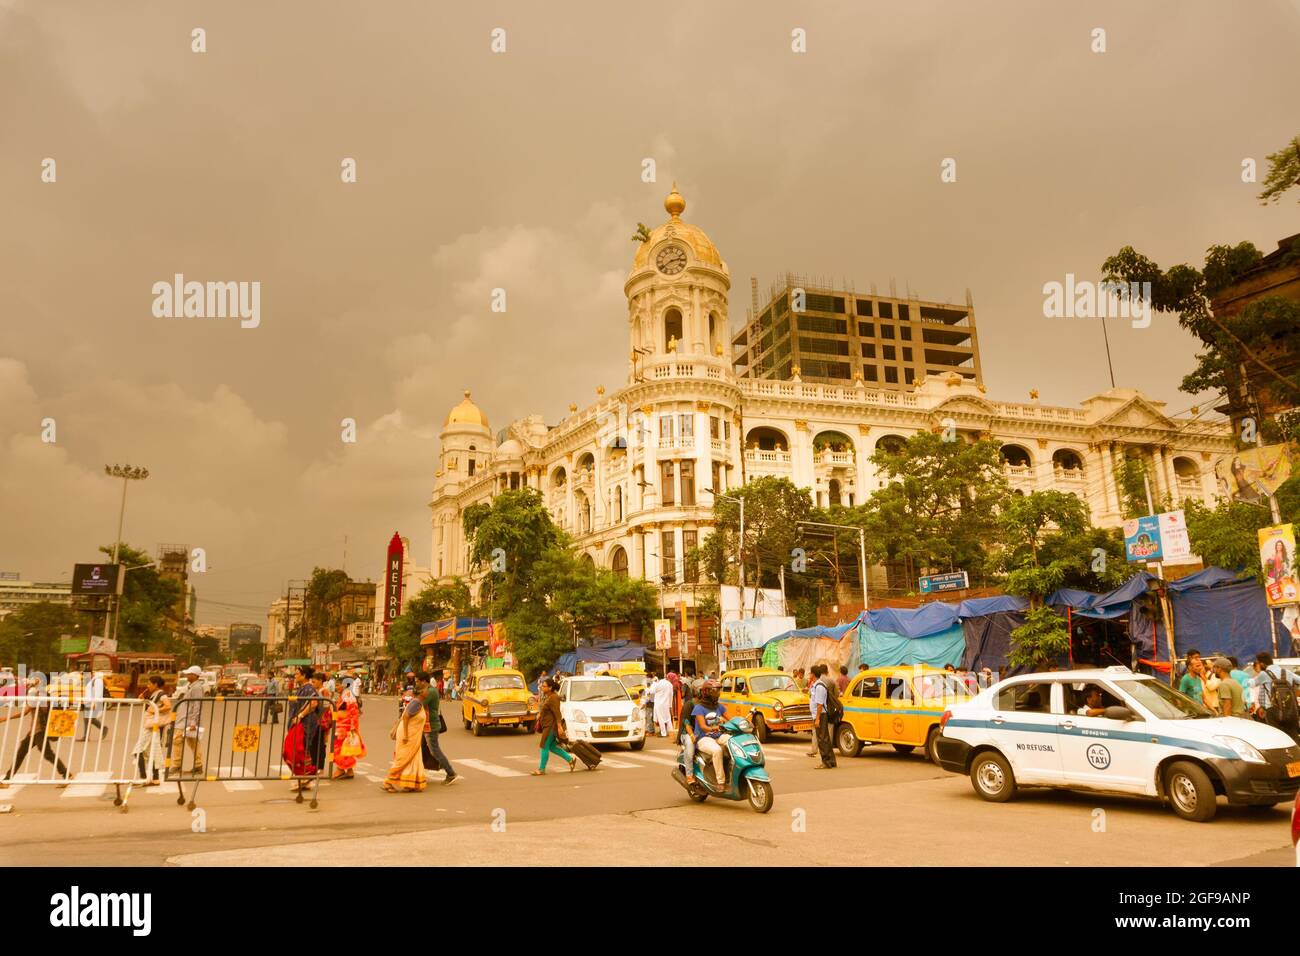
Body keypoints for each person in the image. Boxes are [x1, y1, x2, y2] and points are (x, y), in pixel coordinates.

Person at [0, 677, 72, 787]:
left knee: (47, 754)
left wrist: (5, 718)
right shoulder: (40, 696)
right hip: (33, 732)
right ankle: (7, 780)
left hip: (40, 731)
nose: (30, 686)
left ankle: (66, 775)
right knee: (22, 753)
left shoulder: (39, 697)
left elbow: (24, 713)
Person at [416, 671, 459, 786]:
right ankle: (418, 774)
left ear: (423, 681)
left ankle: (451, 773)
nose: (416, 683)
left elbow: (419, 704)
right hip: (426, 725)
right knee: (422, 750)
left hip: (431, 726)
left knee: (435, 751)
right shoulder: (428, 691)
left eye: (417, 681)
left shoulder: (430, 692)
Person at [383, 687, 428, 792]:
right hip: (407, 735)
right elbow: (406, 717)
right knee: (403, 758)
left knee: (413, 758)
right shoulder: (416, 703)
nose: (428, 692)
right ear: (421, 692)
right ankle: (389, 782)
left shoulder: (419, 703)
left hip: (413, 735)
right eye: (426, 690)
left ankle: (410, 783)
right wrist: (406, 735)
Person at [533, 677, 578, 775]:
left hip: (550, 726)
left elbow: (557, 713)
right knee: (552, 747)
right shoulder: (549, 696)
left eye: (544, 686)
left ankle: (541, 769)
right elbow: (548, 710)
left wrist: (559, 726)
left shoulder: (553, 697)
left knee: (544, 746)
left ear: (550, 687)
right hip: (547, 725)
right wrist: (540, 714)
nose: (541, 687)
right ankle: (570, 759)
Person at [132, 675, 172, 784]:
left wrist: (156, 710)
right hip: (151, 727)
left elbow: (168, 705)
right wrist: (144, 700)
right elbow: (150, 707)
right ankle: (154, 777)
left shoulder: (161, 694)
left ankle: (144, 776)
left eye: (149, 683)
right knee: (153, 751)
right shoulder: (154, 694)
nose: (147, 685)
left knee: (138, 751)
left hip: (153, 728)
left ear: (155, 684)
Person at [169, 665, 206, 777]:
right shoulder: (191, 686)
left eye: (189, 674)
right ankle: (197, 765)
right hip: (184, 719)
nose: (187, 675)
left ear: (195, 675)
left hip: (188, 720)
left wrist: (193, 722)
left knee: (179, 741)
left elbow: (197, 705)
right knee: (191, 742)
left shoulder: (196, 688)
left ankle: (177, 765)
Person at [691, 681, 730, 785]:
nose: (717, 693)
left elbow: (731, 719)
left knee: (733, 742)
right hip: (704, 738)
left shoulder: (719, 706)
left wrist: (741, 723)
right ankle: (720, 781)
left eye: (718, 691)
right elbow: (703, 727)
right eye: (714, 691)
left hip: (718, 736)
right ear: (706, 692)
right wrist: (718, 727)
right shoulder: (698, 708)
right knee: (717, 750)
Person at [331, 676, 365, 780]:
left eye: (337, 685)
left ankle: (341, 769)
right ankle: (349, 771)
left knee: (340, 748)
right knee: (347, 748)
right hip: (342, 725)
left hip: (344, 726)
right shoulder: (345, 694)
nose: (336, 687)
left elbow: (353, 712)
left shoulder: (348, 695)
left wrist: (353, 727)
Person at [810, 665, 837, 769]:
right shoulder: (816, 685)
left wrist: (817, 719)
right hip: (819, 715)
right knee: (824, 738)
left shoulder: (819, 686)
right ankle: (831, 761)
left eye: (810, 673)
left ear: (813, 674)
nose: (809, 675)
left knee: (822, 739)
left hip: (821, 715)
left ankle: (826, 761)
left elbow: (820, 704)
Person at [77, 671, 108, 742]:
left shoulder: (97, 681)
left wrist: (94, 703)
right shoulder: (91, 681)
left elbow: (98, 693)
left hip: (93, 703)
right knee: (89, 719)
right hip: (88, 702)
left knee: (88, 719)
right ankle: (102, 729)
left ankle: (86, 736)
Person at [677, 676, 697, 783]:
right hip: (688, 733)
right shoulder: (689, 704)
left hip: (704, 732)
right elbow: (686, 722)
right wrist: (692, 735)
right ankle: (689, 775)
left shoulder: (710, 704)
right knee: (690, 748)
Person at [651, 672, 674, 737]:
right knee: (668, 718)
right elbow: (671, 695)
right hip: (666, 703)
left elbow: (652, 691)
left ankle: (663, 733)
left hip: (659, 704)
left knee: (661, 718)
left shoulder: (658, 684)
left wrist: (654, 682)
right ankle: (671, 732)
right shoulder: (669, 684)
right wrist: (670, 705)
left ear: (657, 677)